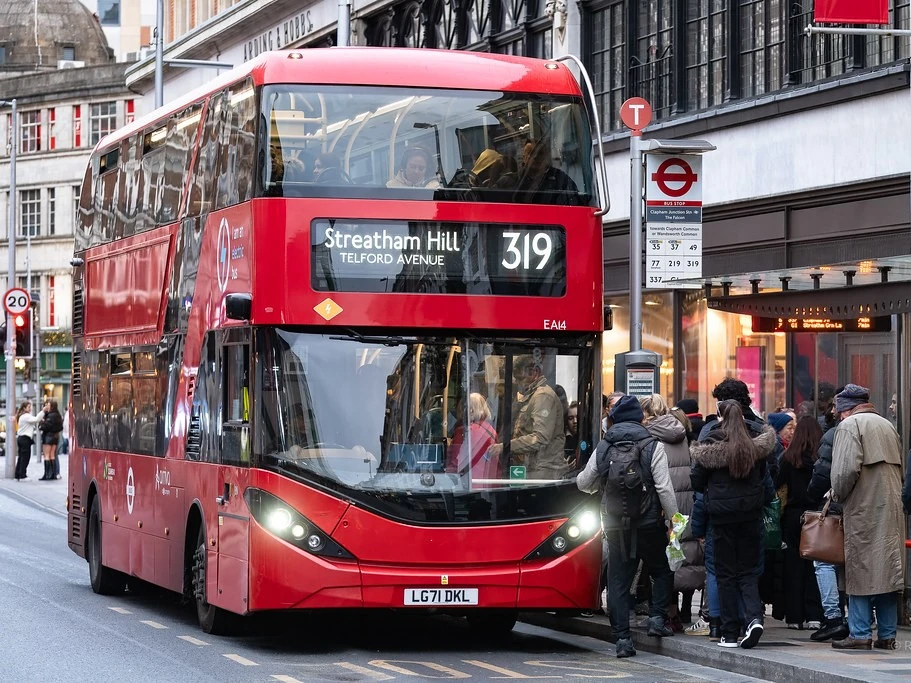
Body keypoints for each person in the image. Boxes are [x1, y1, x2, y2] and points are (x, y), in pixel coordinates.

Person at [576, 395, 679, 658]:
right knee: (662, 569)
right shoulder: (651, 445)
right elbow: (664, 488)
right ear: (640, 418)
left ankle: (623, 640)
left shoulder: (604, 446)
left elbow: (584, 483)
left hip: (615, 525)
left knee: (618, 581)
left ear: (613, 419)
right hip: (648, 523)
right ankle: (657, 619)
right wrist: (674, 520)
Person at [691, 400, 775, 649]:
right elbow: (765, 483)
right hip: (750, 517)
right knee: (748, 572)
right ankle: (753, 619)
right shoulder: (755, 445)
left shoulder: (712, 444)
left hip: (721, 519)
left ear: (719, 416)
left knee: (726, 574)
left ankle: (728, 633)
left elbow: (696, 481)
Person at [829, 384, 905, 651]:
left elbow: (843, 473)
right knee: (884, 570)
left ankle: (860, 633)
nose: (838, 416)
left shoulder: (850, 427)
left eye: (839, 410)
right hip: (891, 508)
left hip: (863, 508)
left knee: (859, 569)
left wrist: (836, 496)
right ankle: (886, 634)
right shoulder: (886, 425)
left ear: (846, 408)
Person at [641, 394, 702, 630]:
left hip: (664, 504)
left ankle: (669, 612)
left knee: (663, 561)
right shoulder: (680, 433)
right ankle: (681, 612)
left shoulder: (650, 436)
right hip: (685, 500)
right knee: (681, 555)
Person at [805, 386, 849, 642]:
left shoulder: (833, 435)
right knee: (853, 563)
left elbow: (821, 476)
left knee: (824, 561)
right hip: (864, 509)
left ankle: (833, 618)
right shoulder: (881, 429)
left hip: (836, 509)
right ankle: (858, 619)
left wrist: (814, 495)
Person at [775, 416, 824, 630]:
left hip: (793, 516)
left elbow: (777, 486)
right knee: (816, 566)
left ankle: (794, 616)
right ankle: (815, 614)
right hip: (817, 516)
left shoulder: (788, 458)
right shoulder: (821, 458)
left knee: (793, 566)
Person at [486, 355, 566, 479]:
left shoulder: (543, 396)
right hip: (533, 467)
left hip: (543, 471)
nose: (518, 383)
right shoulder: (531, 395)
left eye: (520, 378)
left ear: (534, 372)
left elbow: (540, 438)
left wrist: (505, 446)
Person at [446, 393, 497, 481]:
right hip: (489, 480)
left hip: (467, 482)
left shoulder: (464, 431)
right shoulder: (491, 430)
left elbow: (456, 462)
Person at [14, 401, 43, 481]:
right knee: (25, 457)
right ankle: (23, 475)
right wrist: (43, 411)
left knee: (21, 457)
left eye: (30, 407)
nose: (30, 409)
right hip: (25, 438)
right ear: (24, 408)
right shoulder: (26, 416)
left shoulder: (22, 416)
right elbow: (37, 419)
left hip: (21, 438)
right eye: (28, 407)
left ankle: (17, 475)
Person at [39, 400, 64, 481]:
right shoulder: (58, 415)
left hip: (48, 436)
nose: (47, 406)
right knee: (52, 455)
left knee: (46, 455)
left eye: (48, 405)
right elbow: (61, 427)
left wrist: (42, 424)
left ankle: (47, 474)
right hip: (55, 437)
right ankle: (53, 474)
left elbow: (46, 426)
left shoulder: (50, 416)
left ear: (51, 406)